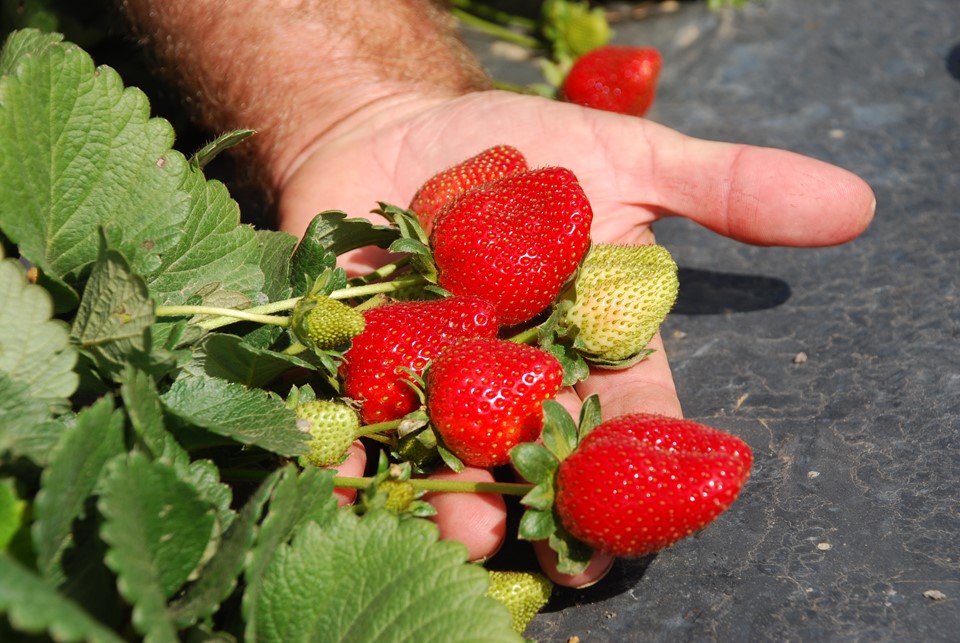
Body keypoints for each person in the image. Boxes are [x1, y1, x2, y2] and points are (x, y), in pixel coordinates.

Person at [118, 0, 876, 587]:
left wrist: (354, 100)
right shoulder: (478, 314)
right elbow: (474, 316)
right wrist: (349, 110)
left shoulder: (469, 305)